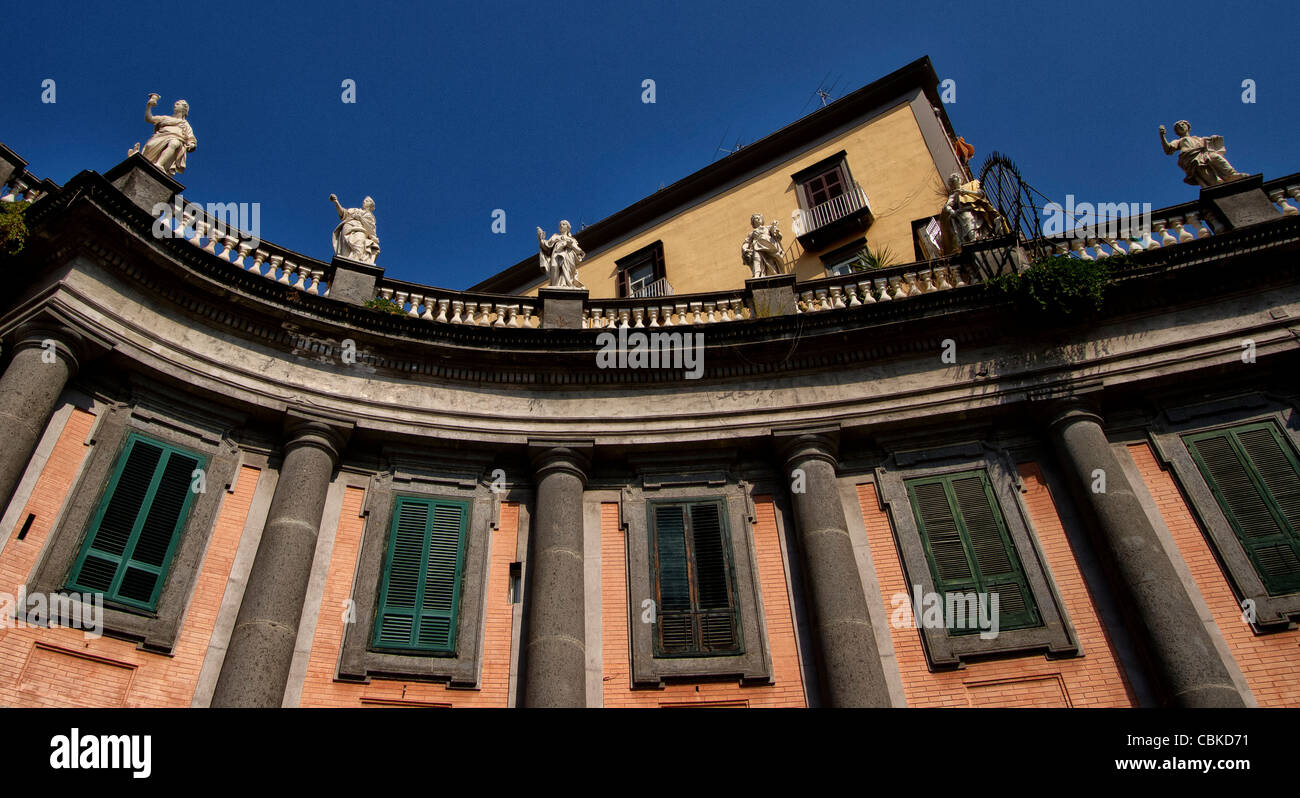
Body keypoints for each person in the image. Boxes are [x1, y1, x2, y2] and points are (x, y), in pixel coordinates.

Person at [1159, 120, 1246, 187]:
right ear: (1177, 132)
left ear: (1188, 127)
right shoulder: (1178, 141)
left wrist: (1213, 139)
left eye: (1183, 124)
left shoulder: (1197, 138)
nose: (1181, 126)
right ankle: (1217, 186)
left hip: (1204, 154)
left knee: (1216, 157)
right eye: (1178, 126)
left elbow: (1209, 143)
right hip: (1191, 159)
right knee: (1208, 176)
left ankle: (1231, 175)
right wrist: (1162, 136)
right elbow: (1168, 149)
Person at [140, 95, 196, 175]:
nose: (174, 105)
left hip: (177, 138)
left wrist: (191, 144)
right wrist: (149, 106)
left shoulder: (185, 124)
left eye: (177, 104)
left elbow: (190, 136)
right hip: (159, 137)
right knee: (149, 147)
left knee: (174, 143)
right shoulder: (165, 118)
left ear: (184, 108)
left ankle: (159, 164)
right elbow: (149, 118)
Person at [329, 194, 380, 264]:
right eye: (364, 201)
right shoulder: (355, 210)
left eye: (367, 201)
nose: (364, 202)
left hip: (360, 230)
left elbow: (371, 231)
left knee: (358, 250)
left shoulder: (370, 216)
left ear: (371, 205)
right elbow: (343, 213)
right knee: (345, 253)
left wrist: (360, 219)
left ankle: (354, 270)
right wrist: (336, 202)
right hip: (347, 228)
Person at [537, 220, 586, 288]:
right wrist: (540, 239)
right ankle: (555, 285)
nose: (561, 225)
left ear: (568, 227)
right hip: (556, 253)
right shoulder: (555, 236)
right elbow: (546, 246)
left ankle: (567, 284)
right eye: (560, 224)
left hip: (568, 255)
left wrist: (570, 245)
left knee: (566, 270)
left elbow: (579, 251)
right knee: (554, 267)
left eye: (563, 224)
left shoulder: (572, 239)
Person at [741, 213, 784, 278]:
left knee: (772, 260)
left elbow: (776, 234)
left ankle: (774, 273)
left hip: (769, 245)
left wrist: (775, 229)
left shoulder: (768, 228)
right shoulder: (752, 233)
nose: (758, 219)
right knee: (757, 259)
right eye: (755, 218)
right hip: (757, 246)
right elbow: (746, 242)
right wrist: (745, 249)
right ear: (753, 223)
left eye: (759, 218)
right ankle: (757, 275)